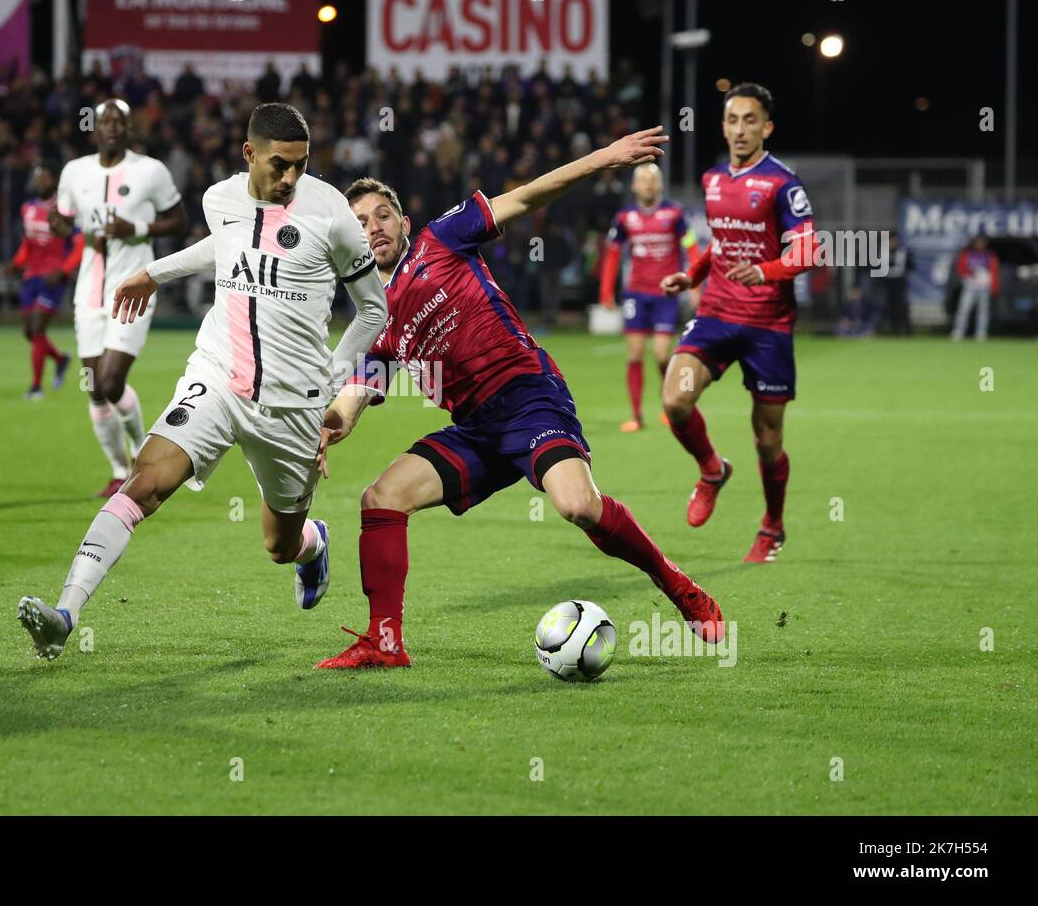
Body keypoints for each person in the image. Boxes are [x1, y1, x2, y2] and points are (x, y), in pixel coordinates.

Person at [311, 127, 725, 670]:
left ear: (403, 221)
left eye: (382, 215)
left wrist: (604, 158)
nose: (374, 228)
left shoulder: (443, 238)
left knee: (578, 505)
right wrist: (326, 427)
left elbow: (528, 195)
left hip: (528, 396)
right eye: (360, 223)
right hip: (475, 430)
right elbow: (355, 395)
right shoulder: (375, 321)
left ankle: (675, 584)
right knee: (380, 498)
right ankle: (384, 642)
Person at [17, 103, 388, 661]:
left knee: (279, 543)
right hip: (218, 377)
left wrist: (330, 383)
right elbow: (226, 245)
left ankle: (314, 544)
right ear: (249, 154)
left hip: (292, 405)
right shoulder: (221, 199)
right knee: (144, 483)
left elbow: (373, 312)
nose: (290, 178)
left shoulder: (332, 213)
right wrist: (153, 272)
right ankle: (65, 613)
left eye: (301, 165)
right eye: (279, 164)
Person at [659, 83, 818, 564]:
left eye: (751, 120)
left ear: (766, 127)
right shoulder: (712, 180)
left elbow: (811, 249)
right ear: (724, 126)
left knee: (768, 443)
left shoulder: (782, 184)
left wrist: (766, 271)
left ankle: (772, 527)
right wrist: (694, 274)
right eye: (733, 120)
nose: (741, 129)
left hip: (768, 327)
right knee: (675, 400)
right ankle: (712, 470)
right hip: (716, 315)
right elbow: (723, 243)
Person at [49, 99, 188, 497]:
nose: (111, 127)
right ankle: (118, 469)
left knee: (111, 381)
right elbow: (62, 216)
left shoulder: (150, 171)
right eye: (104, 121)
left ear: (130, 129)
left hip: (132, 289)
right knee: (94, 385)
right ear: (94, 129)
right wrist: (60, 225)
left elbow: (180, 220)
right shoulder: (75, 172)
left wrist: (137, 226)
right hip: (89, 291)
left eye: (119, 121)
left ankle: (141, 457)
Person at [598, 163, 700, 431]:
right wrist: (606, 290)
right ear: (633, 186)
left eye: (653, 180)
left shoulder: (674, 213)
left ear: (660, 184)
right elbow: (612, 253)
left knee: (662, 354)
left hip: (666, 293)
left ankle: (670, 404)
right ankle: (636, 416)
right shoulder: (624, 218)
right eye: (643, 180)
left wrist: (695, 284)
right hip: (636, 294)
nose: (648, 185)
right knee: (634, 354)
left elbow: (691, 246)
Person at [10, 160, 78, 399]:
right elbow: (28, 244)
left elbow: (78, 244)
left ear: (54, 181)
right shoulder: (27, 208)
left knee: (38, 326)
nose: (40, 182)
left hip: (53, 278)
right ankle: (60, 360)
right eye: (37, 177)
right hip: (32, 276)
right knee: (29, 331)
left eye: (44, 177)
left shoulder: (65, 209)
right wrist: (15, 264)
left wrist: (63, 270)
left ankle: (36, 386)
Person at [951, 233, 997, 341]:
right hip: (970, 285)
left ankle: (981, 333)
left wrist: (993, 286)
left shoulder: (989, 255)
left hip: (984, 286)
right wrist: (971, 273)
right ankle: (959, 331)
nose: (979, 245)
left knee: (983, 311)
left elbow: (994, 271)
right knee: (964, 309)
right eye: (978, 242)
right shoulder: (968, 254)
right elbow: (961, 268)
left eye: (982, 243)